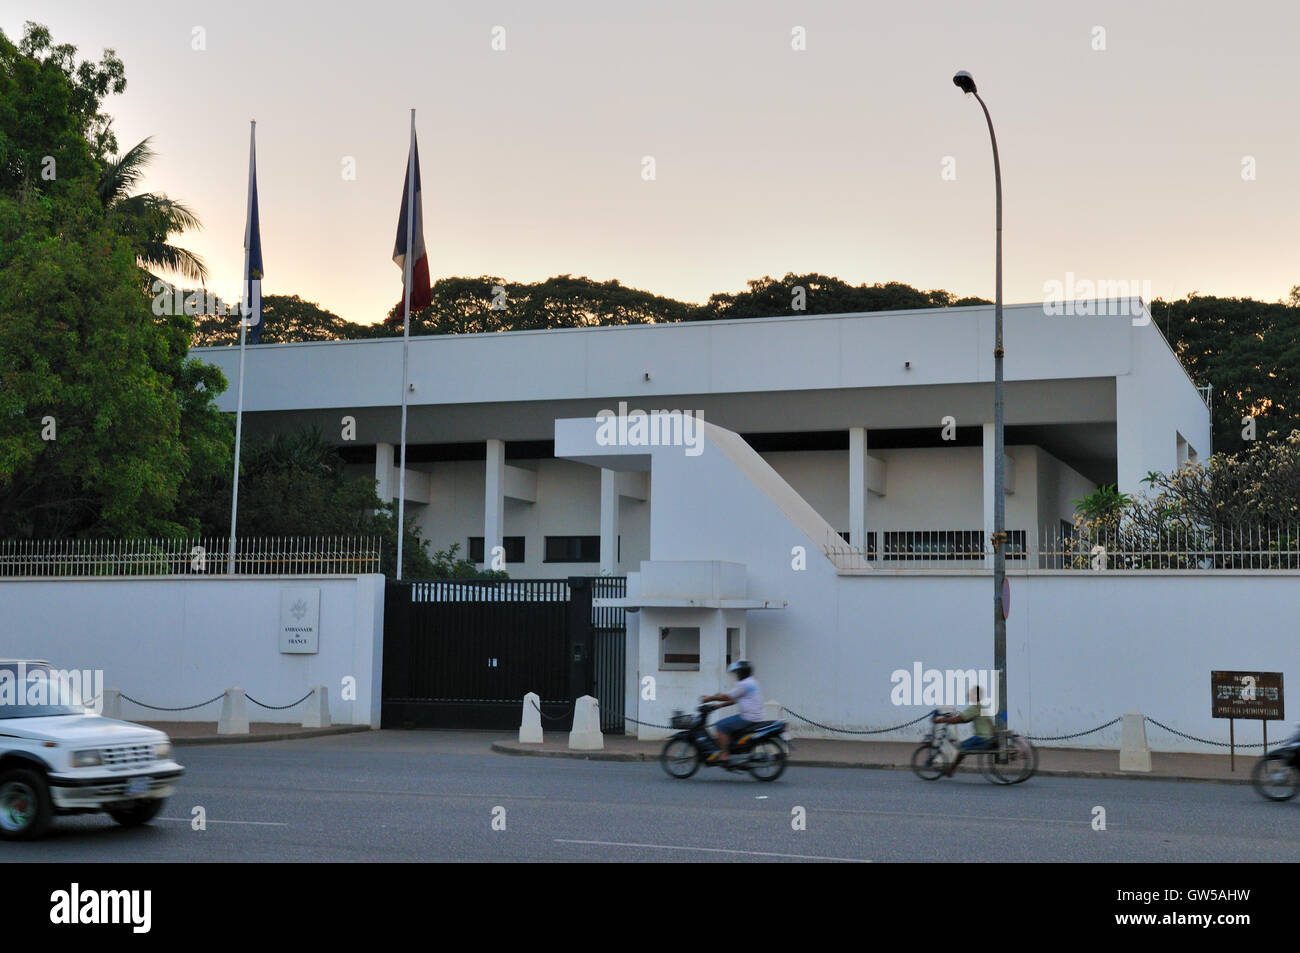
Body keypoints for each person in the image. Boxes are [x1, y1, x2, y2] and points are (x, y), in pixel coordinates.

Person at [702, 659, 763, 763]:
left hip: (747, 717)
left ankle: (724, 754)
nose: (737, 674)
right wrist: (719, 706)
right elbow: (735, 699)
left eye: (738, 672)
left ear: (742, 672)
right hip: (755, 716)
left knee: (720, 725)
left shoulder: (743, 684)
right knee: (729, 725)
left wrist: (710, 698)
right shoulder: (752, 681)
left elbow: (727, 696)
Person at [934, 686, 996, 776]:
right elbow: (964, 719)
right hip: (988, 738)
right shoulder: (982, 708)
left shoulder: (975, 708)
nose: (968, 695)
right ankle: (951, 770)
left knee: (962, 748)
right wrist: (951, 720)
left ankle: (950, 770)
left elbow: (960, 719)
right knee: (962, 747)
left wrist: (941, 720)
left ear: (975, 696)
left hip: (981, 738)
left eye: (970, 694)